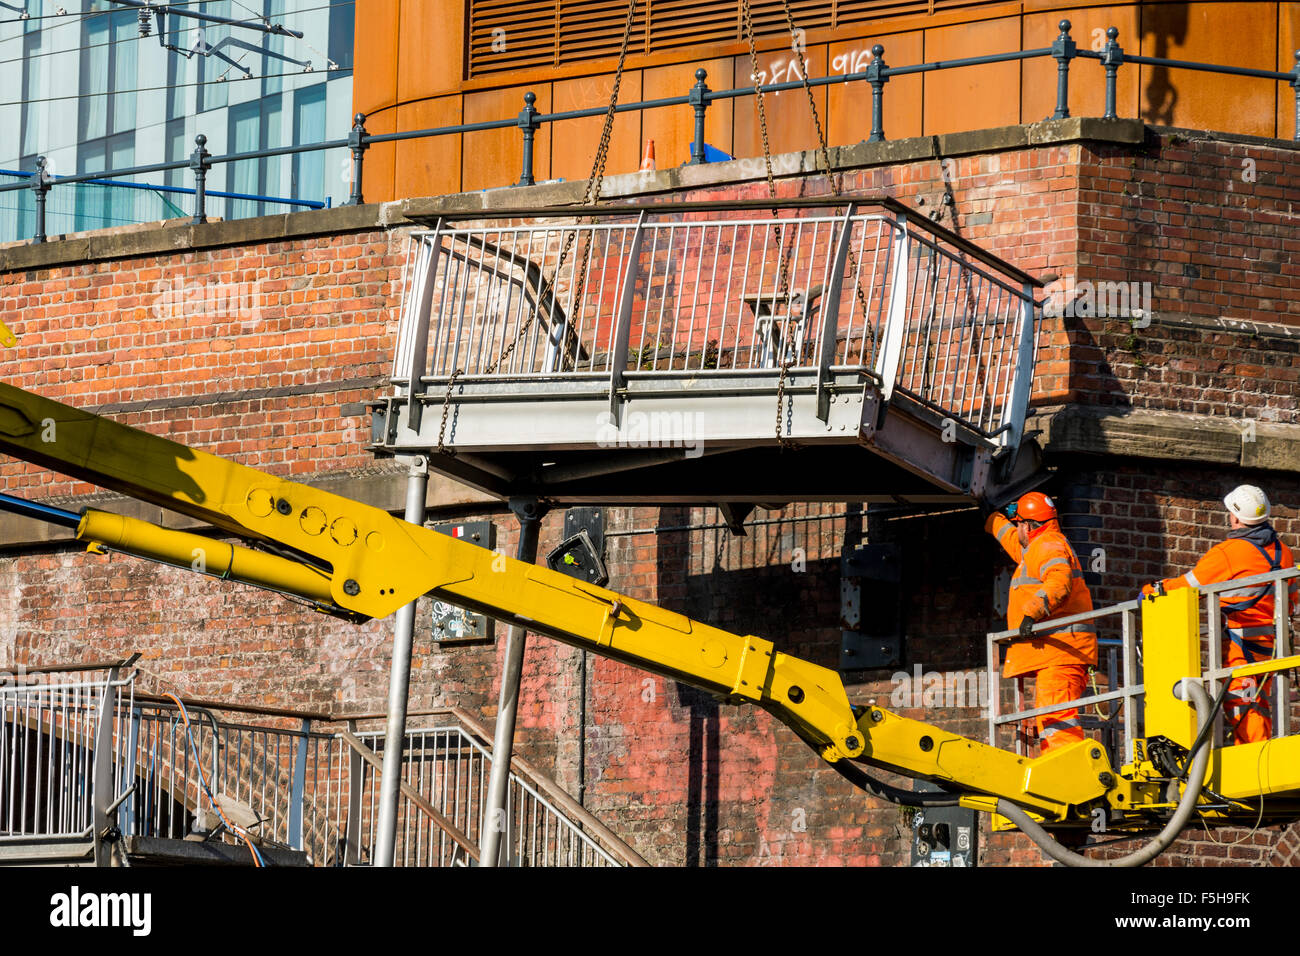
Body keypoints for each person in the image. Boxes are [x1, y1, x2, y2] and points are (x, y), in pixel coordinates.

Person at [1143, 485, 1298, 745]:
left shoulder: (1228, 554)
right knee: (1256, 703)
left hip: (1241, 646)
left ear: (1235, 517)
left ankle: (1256, 762)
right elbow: (1292, 601)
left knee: (1243, 704)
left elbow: (1187, 587)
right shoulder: (1284, 553)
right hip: (1272, 645)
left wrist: (1151, 591)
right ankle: (1258, 753)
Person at [986, 492, 1097, 753]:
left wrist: (1031, 612)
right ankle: (1059, 775)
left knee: (1057, 723)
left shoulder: (1048, 545)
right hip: (1057, 654)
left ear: (1027, 525)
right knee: (1050, 721)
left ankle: (1068, 780)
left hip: (1060, 654)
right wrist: (992, 520)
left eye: (1018, 524)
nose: (1016, 530)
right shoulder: (1039, 545)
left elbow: (1059, 582)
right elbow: (1014, 542)